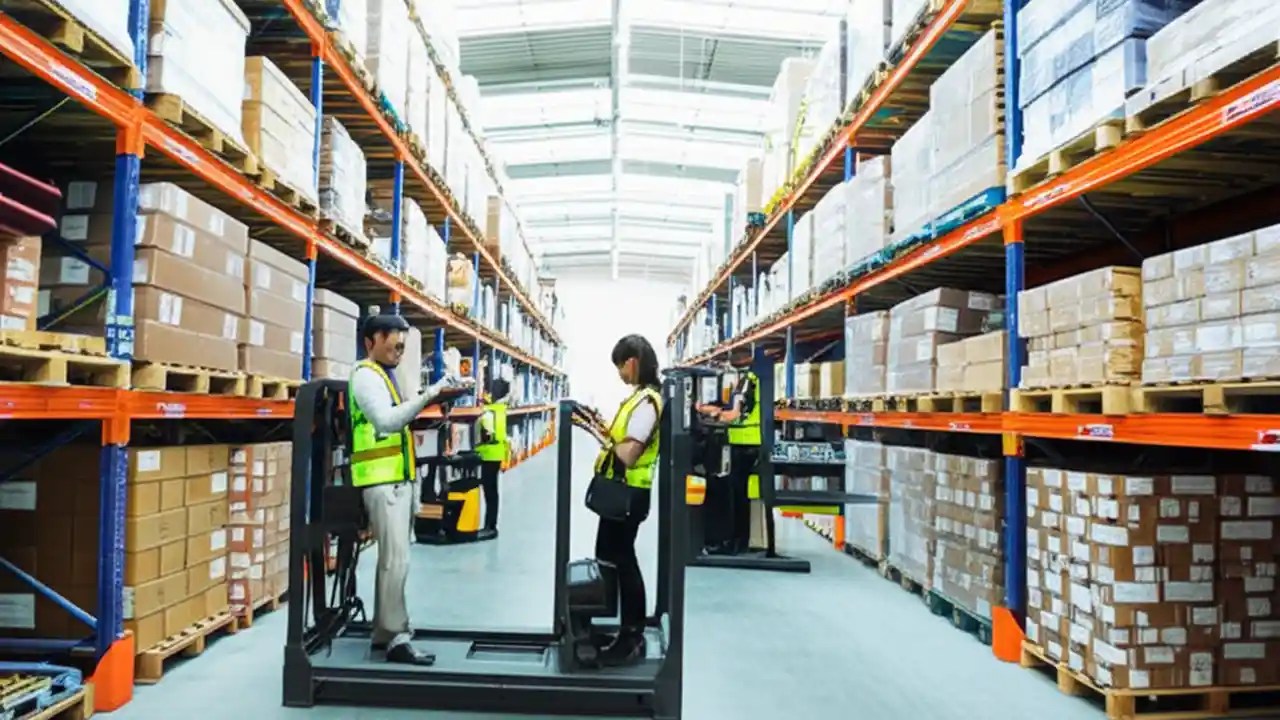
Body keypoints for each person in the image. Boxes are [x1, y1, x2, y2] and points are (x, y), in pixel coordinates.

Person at [348, 312, 474, 666]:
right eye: (393, 346)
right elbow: (386, 421)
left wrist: (442, 396)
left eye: (402, 347)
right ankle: (396, 637)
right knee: (395, 561)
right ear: (371, 342)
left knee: (394, 560)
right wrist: (430, 394)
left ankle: (383, 632)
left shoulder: (385, 375)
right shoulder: (366, 376)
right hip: (381, 480)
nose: (399, 352)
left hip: (395, 479)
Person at [588, 334, 663, 667]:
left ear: (633, 362)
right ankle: (622, 630)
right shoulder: (639, 398)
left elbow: (631, 453)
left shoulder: (647, 402)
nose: (619, 373)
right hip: (622, 491)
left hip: (629, 493)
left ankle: (631, 636)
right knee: (610, 556)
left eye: (620, 366)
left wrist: (604, 440)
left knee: (622, 560)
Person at [705, 366, 759, 555]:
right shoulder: (747, 380)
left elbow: (736, 414)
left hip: (746, 445)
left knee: (736, 495)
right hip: (744, 444)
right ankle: (736, 542)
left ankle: (735, 543)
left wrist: (713, 414)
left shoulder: (748, 382)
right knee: (737, 494)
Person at [474, 377, 511, 540]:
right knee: (492, 491)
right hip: (495, 454)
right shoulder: (499, 409)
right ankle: (490, 525)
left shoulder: (490, 411)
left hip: (489, 455)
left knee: (490, 492)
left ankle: (490, 527)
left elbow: (486, 431)